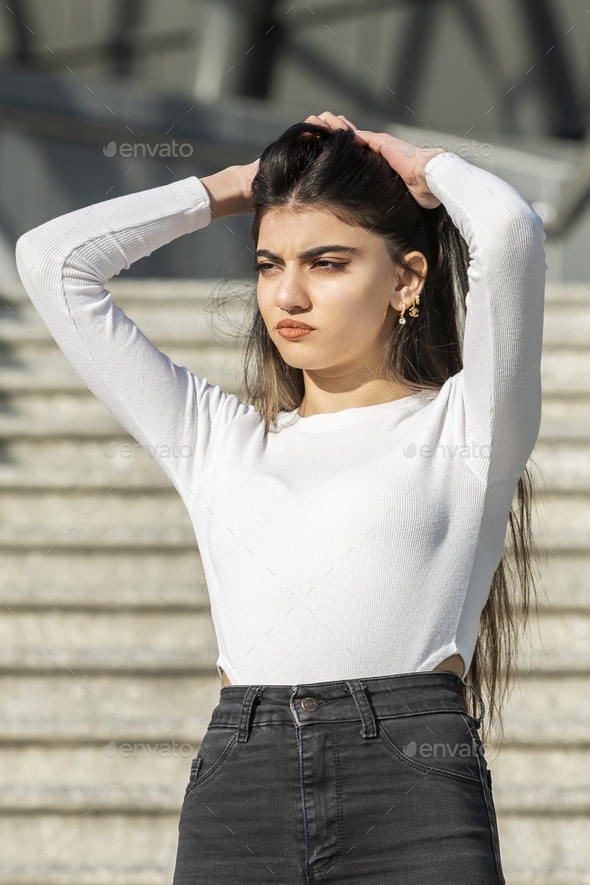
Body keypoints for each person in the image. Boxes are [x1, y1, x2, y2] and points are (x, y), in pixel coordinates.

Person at [16, 111, 546, 884]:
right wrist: (235, 187)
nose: (287, 294)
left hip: (411, 789)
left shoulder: (470, 426)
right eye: (269, 264)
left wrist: (422, 166)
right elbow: (51, 260)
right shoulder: (215, 437)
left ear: (406, 280)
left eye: (327, 262)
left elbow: (506, 231)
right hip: (243, 776)